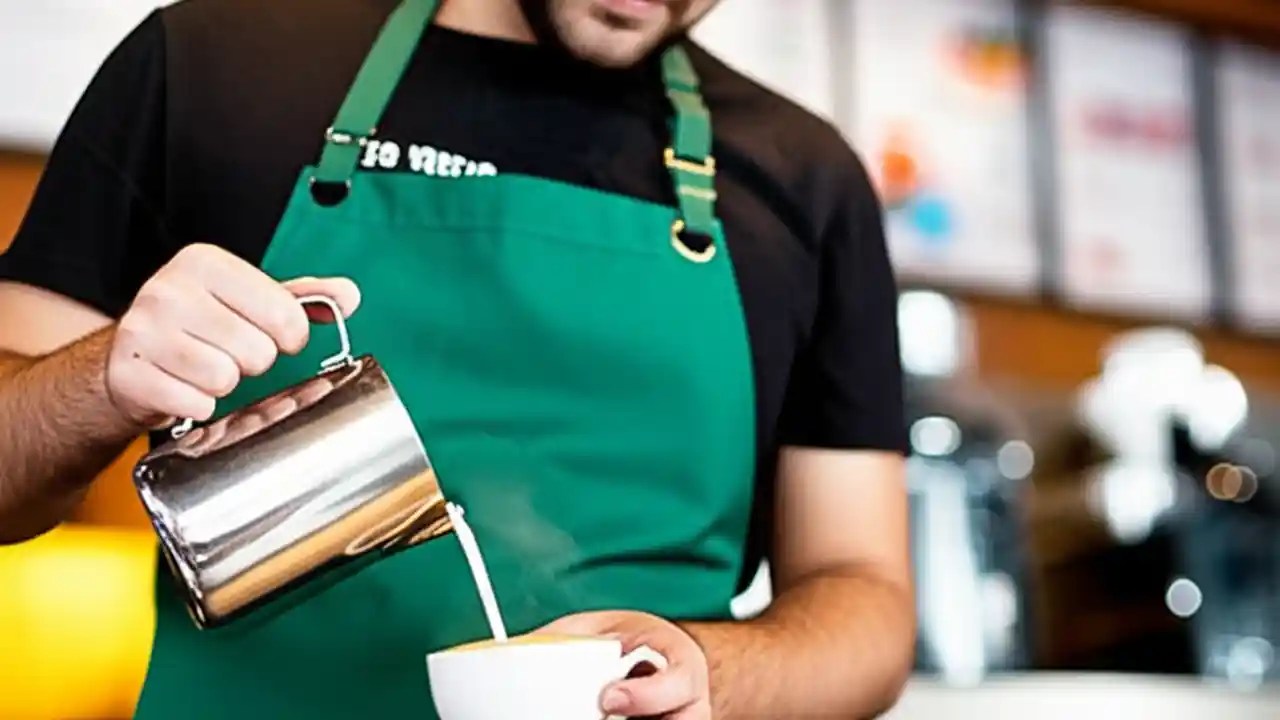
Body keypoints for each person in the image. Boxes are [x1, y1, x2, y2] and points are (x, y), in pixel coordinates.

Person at [0, 0, 915, 717]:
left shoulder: (804, 180)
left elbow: (865, 599)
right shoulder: (209, 66)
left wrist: (707, 670)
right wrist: (101, 380)